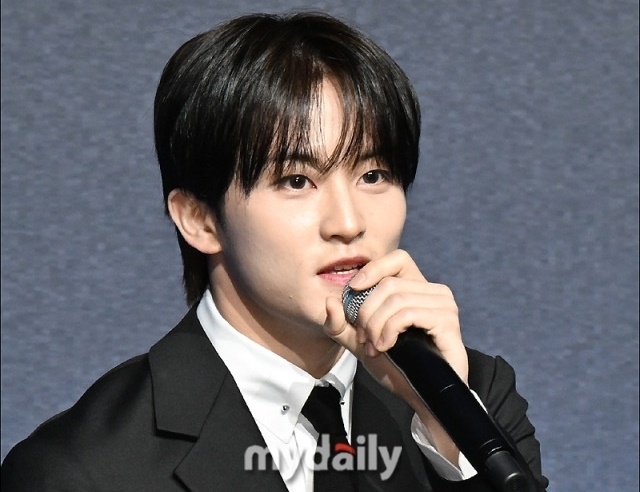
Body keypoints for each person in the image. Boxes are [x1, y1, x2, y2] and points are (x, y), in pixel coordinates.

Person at [1, 11, 548, 491]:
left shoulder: (477, 400)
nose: (349, 223)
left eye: (373, 175)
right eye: (296, 181)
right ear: (200, 219)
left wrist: (447, 429)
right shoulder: (82, 471)